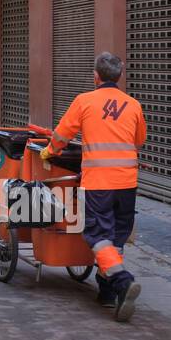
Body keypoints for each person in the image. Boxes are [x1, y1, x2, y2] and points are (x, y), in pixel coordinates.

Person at [43, 52, 146, 321]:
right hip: (127, 183)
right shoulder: (133, 104)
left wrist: (49, 152)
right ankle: (108, 292)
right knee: (117, 236)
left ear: (95, 76)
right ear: (120, 77)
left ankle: (122, 281)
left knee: (98, 235)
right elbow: (139, 141)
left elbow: (63, 134)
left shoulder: (85, 101)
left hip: (99, 182)